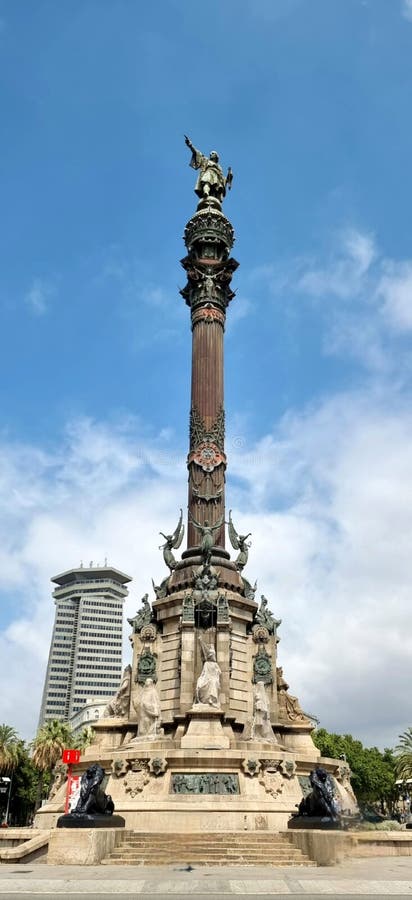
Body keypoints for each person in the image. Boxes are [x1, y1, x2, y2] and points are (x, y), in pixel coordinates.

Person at [185, 136, 233, 204]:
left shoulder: (219, 167)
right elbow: (197, 153)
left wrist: (228, 177)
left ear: (216, 156)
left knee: (215, 188)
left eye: (213, 153)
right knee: (206, 182)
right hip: (209, 172)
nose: (210, 154)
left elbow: (223, 178)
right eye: (210, 154)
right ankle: (206, 192)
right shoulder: (206, 160)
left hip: (217, 177)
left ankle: (213, 198)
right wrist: (190, 146)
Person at [195, 639, 221, 707]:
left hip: (213, 678)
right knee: (202, 683)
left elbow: (219, 672)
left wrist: (216, 674)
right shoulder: (206, 664)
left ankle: (211, 699)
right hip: (207, 678)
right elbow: (203, 673)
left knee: (213, 682)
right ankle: (208, 700)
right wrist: (201, 679)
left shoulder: (215, 664)